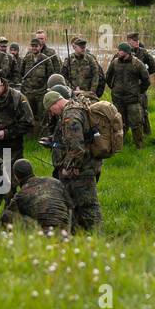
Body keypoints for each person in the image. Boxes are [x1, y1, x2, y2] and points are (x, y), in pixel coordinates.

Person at [43, 90, 101, 231]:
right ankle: (80, 235)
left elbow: (76, 148)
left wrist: (66, 167)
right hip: (84, 165)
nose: (52, 113)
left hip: (81, 169)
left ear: (55, 103)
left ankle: (96, 237)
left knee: (88, 206)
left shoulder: (70, 117)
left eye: (51, 110)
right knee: (76, 204)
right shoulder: (74, 108)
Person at [4, 159, 72, 233]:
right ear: (31, 170)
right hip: (64, 227)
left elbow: (7, 213)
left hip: (44, 231)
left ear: (16, 177)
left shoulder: (20, 195)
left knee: (7, 214)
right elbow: (70, 205)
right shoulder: (54, 181)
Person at [102, 43, 150, 148]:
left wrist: (138, 91)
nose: (118, 52)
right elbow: (108, 77)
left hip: (133, 99)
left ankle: (139, 146)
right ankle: (119, 146)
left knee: (136, 124)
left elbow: (146, 80)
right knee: (119, 123)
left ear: (126, 52)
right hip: (118, 99)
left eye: (120, 51)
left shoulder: (137, 64)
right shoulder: (114, 63)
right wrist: (114, 88)